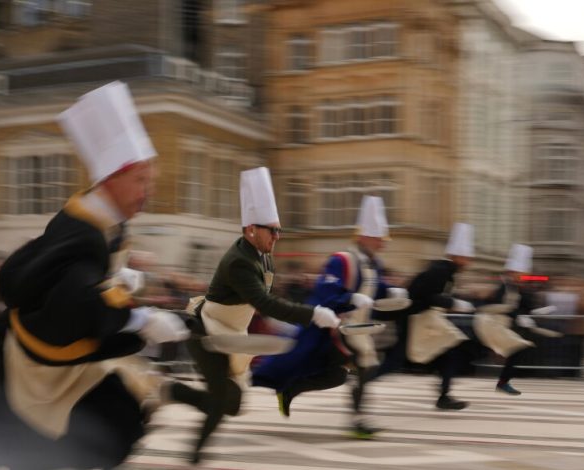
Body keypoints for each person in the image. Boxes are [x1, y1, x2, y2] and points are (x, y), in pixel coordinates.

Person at [0, 81, 189, 470]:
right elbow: (76, 301)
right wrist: (142, 320)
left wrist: (118, 281)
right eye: (140, 181)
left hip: (20, 359)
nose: (147, 191)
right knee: (111, 416)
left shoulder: (95, 221)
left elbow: (66, 279)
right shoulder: (87, 235)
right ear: (112, 178)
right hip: (23, 369)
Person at [168, 167, 340, 465]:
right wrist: (313, 314)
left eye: (279, 230)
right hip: (206, 333)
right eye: (272, 230)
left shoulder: (264, 258)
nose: (277, 236)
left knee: (233, 405)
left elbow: (266, 303)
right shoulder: (239, 262)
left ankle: (174, 392)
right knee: (220, 400)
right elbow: (264, 301)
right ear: (250, 229)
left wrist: (293, 324)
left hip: (232, 334)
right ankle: (194, 457)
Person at [252, 195, 406, 439]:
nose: (382, 244)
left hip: (359, 328)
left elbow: (375, 289)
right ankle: (358, 421)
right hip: (336, 328)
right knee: (365, 364)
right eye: (379, 239)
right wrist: (351, 298)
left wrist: (392, 292)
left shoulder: (373, 264)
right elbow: (326, 292)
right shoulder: (341, 260)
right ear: (364, 237)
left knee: (336, 377)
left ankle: (290, 390)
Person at [374, 222, 476, 410]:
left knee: (448, 351)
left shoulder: (446, 271)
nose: (469, 262)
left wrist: (450, 303)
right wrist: (453, 303)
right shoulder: (440, 271)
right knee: (397, 359)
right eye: (467, 257)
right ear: (457, 256)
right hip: (415, 319)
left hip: (422, 319)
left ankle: (444, 395)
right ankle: (364, 381)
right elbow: (428, 296)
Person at [475, 244, 556, 395]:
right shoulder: (503, 287)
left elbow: (523, 305)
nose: (522, 277)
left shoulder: (517, 287)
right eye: (521, 273)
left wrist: (536, 311)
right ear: (512, 272)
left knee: (517, 349)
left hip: (505, 327)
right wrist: (518, 316)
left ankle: (503, 382)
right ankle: (501, 381)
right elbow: (501, 307)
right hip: (491, 326)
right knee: (512, 349)